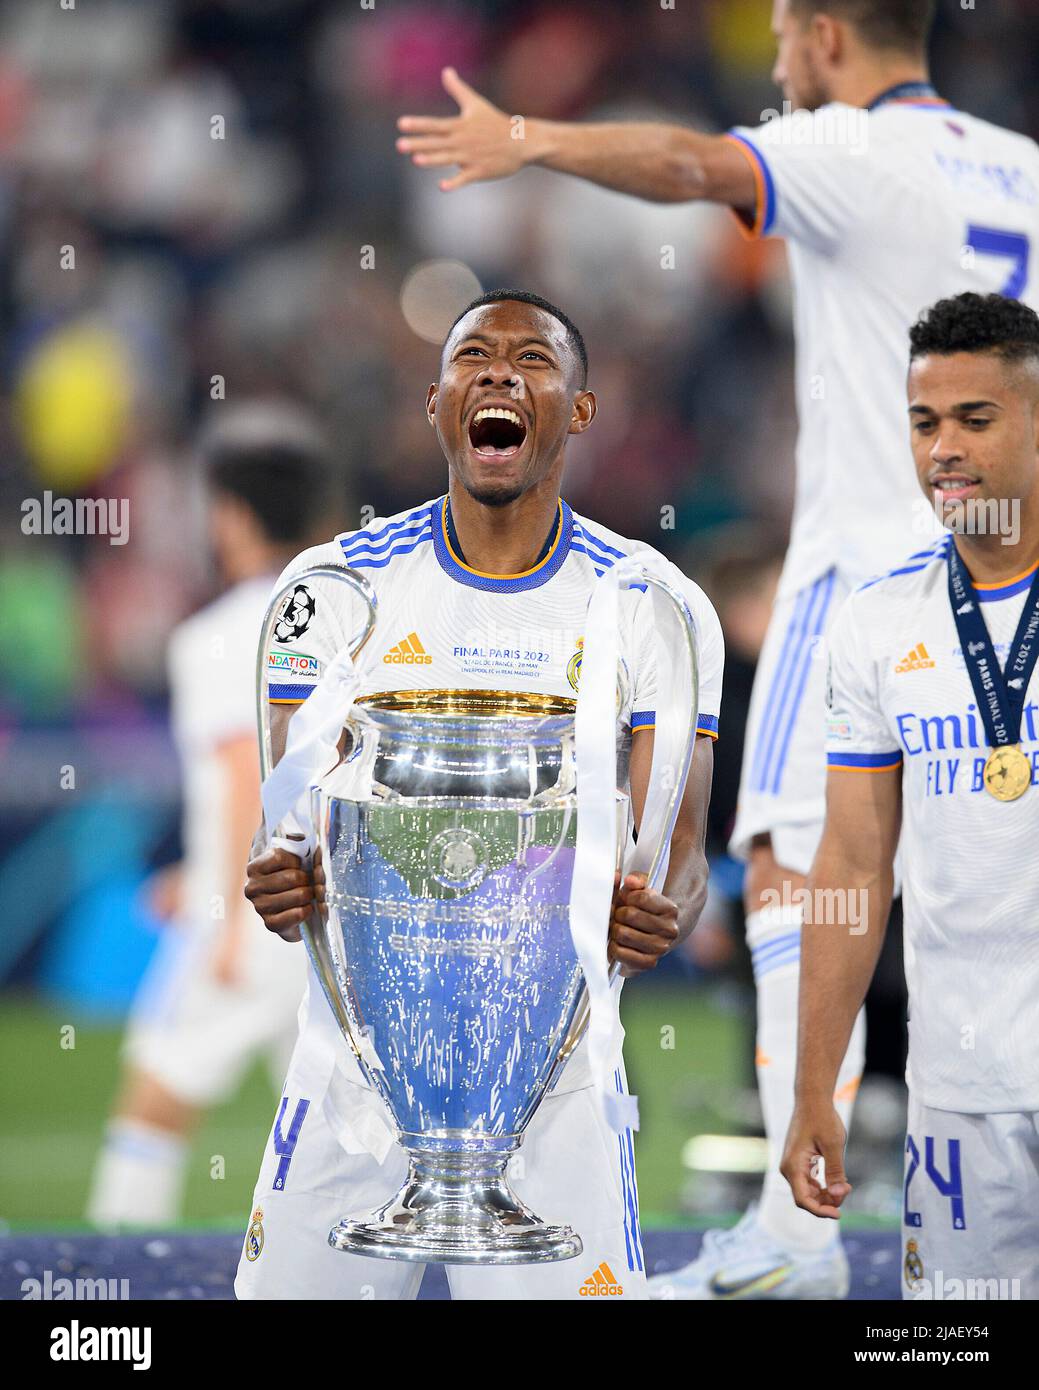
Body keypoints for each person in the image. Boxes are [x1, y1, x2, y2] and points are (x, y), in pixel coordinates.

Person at [396, 0, 1039, 1297]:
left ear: (819, 35)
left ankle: (796, 1232)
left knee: (791, 864)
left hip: (871, 559)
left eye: (785, 34)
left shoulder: (848, 149)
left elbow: (696, 167)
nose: (774, 61)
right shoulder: (1019, 163)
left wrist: (521, 136)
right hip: (1003, 564)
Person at [235, 290, 724, 1300]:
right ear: (435, 400)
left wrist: (665, 903)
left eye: (532, 359)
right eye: (474, 357)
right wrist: (280, 876)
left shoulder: (650, 604)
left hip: (555, 1081)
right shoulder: (336, 590)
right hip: (354, 1084)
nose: (499, 373)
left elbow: (678, 843)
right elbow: (289, 825)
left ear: (580, 410)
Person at [783, 292, 1039, 1301]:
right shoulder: (878, 625)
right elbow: (850, 869)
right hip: (957, 1090)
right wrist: (813, 1085)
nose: (943, 448)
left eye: (975, 418)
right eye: (924, 422)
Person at [86, 406, 328, 1227]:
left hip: (252, 912)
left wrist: (222, 918)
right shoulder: (338, 620)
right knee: (340, 1129)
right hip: (321, 907)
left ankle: (115, 1278)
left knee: (154, 1096)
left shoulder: (218, 636)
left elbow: (242, 776)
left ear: (227, 513)